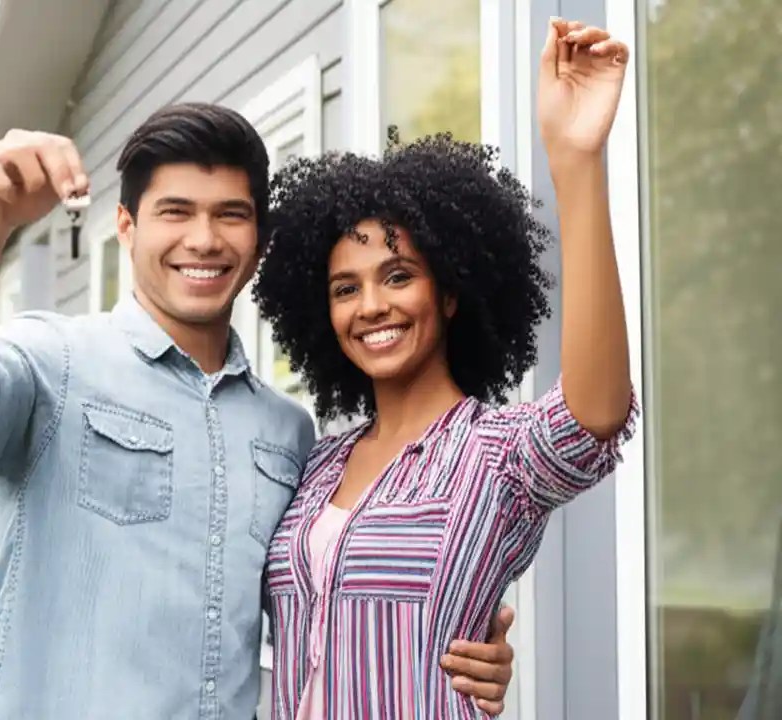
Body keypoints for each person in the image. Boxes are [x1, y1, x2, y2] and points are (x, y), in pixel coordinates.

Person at [0, 103, 515, 719]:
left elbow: (321, 596)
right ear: (127, 228)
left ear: (260, 241)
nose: (204, 239)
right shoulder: (57, 363)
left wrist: (456, 647)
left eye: (230, 215)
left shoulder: (289, 432)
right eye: (175, 212)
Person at [252, 18, 638, 718]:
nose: (372, 305)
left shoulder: (498, 456)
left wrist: (575, 161)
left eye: (398, 276)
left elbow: (596, 414)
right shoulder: (317, 465)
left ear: (450, 291)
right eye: (346, 288)